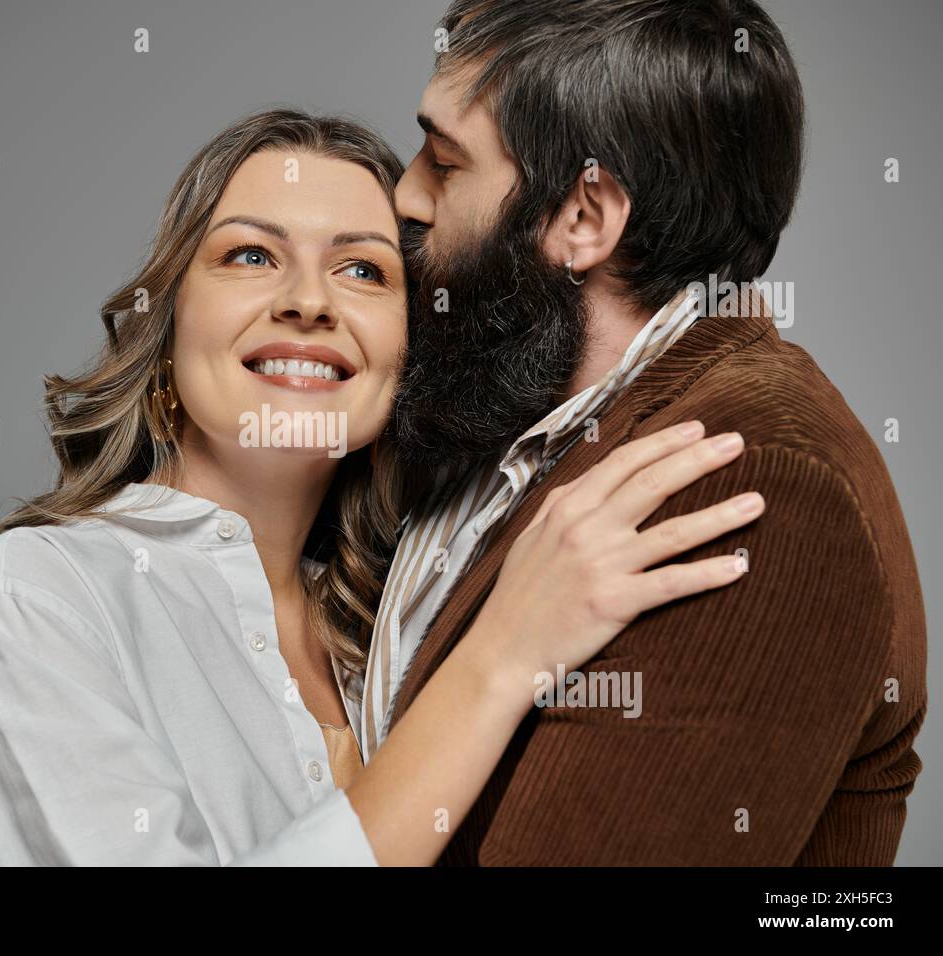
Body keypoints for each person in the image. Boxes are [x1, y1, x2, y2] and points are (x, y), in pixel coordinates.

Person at [0, 109, 762, 865]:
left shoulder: (399, 628)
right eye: (251, 255)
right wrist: (502, 658)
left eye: (363, 271)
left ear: (408, 353)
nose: (307, 303)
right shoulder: (37, 599)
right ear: (168, 328)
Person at [373, 0, 927, 864]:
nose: (404, 194)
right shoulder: (517, 413)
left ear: (586, 217)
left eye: (445, 164)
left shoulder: (751, 485)